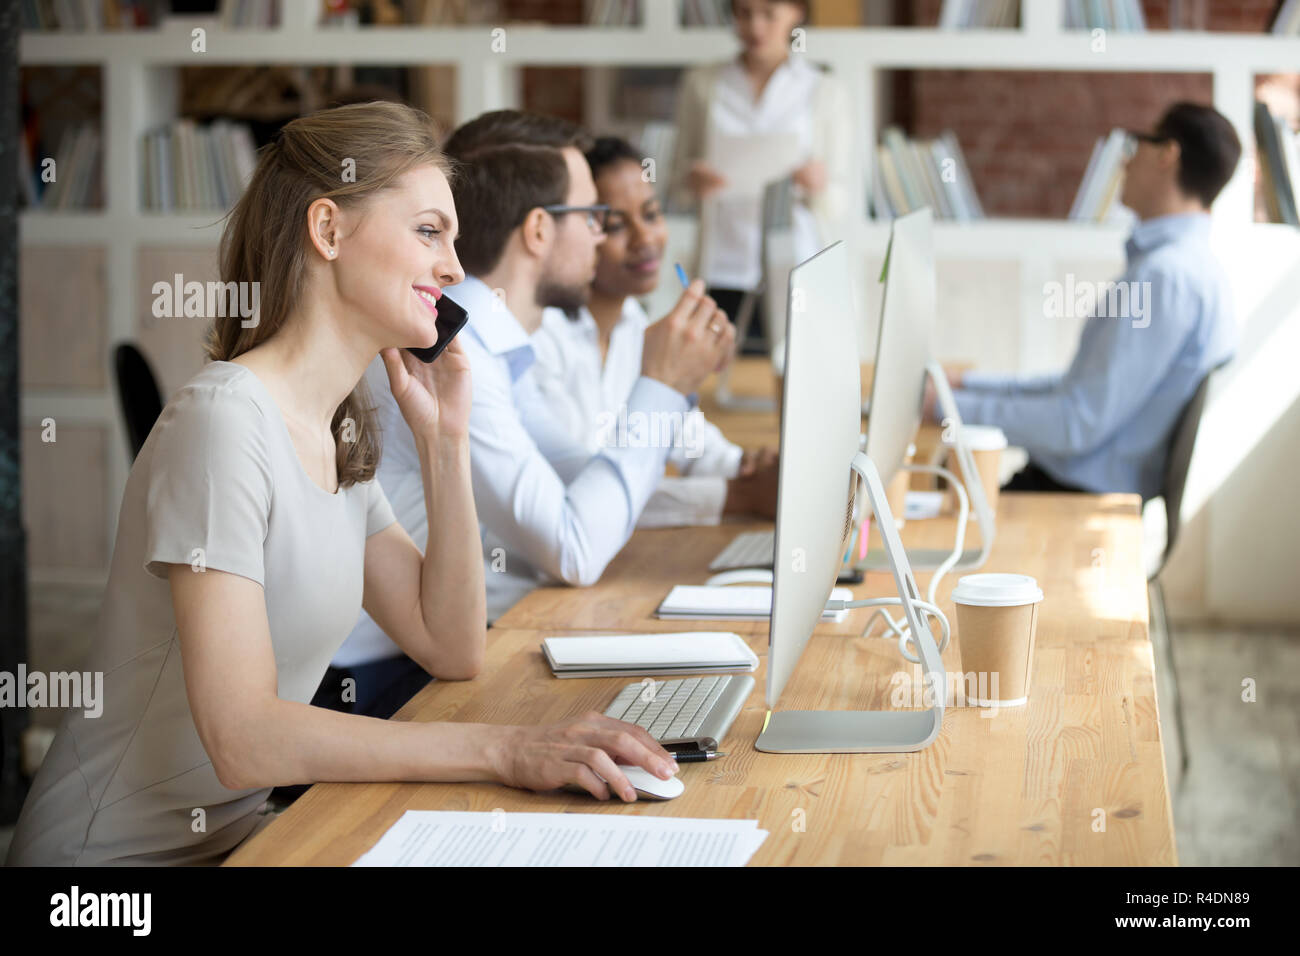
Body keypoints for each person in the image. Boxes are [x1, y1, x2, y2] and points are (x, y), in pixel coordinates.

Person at [7, 103, 678, 867]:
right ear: (327, 231)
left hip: (242, 841)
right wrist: (500, 749)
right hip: (106, 870)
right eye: (430, 233)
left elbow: (450, 645)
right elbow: (244, 740)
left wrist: (444, 440)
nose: (455, 269)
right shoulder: (223, 425)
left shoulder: (336, 427)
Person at [330, 107, 732, 666]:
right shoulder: (452, 348)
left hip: (430, 653)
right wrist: (660, 385)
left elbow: (584, 483)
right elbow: (575, 548)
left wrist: (671, 391)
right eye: (593, 214)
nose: (601, 234)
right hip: (383, 677)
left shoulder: (498, 344)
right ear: (539, 229)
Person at [928, 102, 1241, 500]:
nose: (1125, 160)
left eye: (1137, 143)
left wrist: (945, 411)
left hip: (1073, 496)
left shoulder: (1166, 277)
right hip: (1072, 486)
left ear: (1168, 155)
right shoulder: (1189, 268)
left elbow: (1075, 423)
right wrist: (962, 387)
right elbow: (1075, 391)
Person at [530, 135, 779, 527]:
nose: (645, 239)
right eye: (616, 226)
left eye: (651, 215)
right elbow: (587, 493)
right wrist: (740, 495)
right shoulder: (540, 341)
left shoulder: (634, 325)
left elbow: (686, 438)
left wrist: (748, 468)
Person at [669, 0, 854, 352]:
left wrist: (820, 185)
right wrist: (692, 180)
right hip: (722, 260)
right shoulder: (702, 84)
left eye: (769, 14)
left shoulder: (824, 90)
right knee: (716, 366)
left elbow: (839, 202)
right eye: (743, 13)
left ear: (796, 13)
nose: (755, 27)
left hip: (796, 259)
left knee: (796, 366)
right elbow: (676, 183)